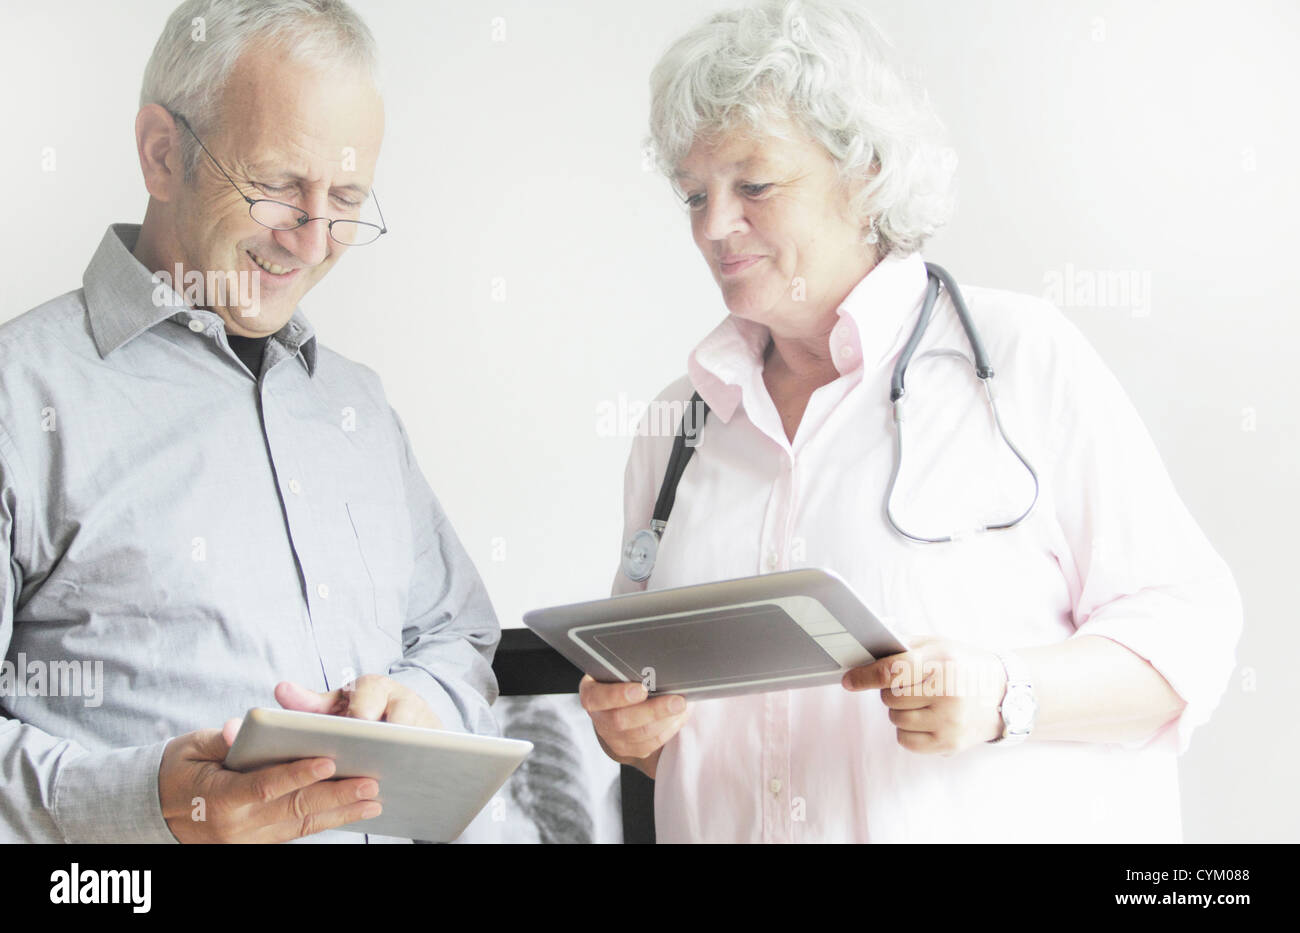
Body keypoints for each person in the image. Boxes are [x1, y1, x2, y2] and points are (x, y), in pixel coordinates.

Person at [579, 0, 1243, 843]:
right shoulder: (680, 423)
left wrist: (1006, 695)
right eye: (692, 194)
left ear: (866, 171)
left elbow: (1189, 631)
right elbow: (661, 720)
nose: (714, 226)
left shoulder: (1019, 361)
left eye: (753, 185)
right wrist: (629, 732)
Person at [0, 0, 499, 843]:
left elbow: (458, 632)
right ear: (163, 154)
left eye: (345, 197)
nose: (311, 240)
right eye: (275, 185)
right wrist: (151, 801)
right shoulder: (19, 397)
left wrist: (423, 707)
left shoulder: (359, 407)